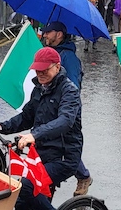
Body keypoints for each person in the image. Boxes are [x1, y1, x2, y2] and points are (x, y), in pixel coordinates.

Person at [0, 47, 80, 210]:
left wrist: (34, 135)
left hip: (63, 156)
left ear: (57, 67)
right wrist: (2, 126)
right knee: (22, 202)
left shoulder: (69, 90)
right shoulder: (39, 89)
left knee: (27, 187)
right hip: (41, 154)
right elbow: (27, 116)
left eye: (45, 69)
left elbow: (65, 121)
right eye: (37, 70)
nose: (40, 73)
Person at [40, 22, 93, 196]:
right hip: (51, 107)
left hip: (65, 112)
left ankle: (83, 177)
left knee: (65, 148)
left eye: (48, 32)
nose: (44, 34)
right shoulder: (52, 52)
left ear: (59, 35)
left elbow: (72, 89)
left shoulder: (69, 58)